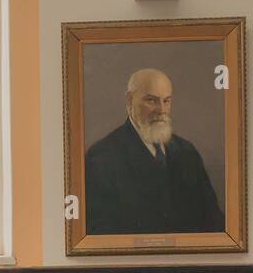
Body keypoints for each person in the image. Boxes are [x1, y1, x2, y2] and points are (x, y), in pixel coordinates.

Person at [84, 68, 225, 235]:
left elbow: (214, 222)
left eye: (166, 101)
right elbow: (99, 234)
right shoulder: (101, 158)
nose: (162, 110)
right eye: (151, 100)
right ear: (129, 100)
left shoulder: (187, 152)